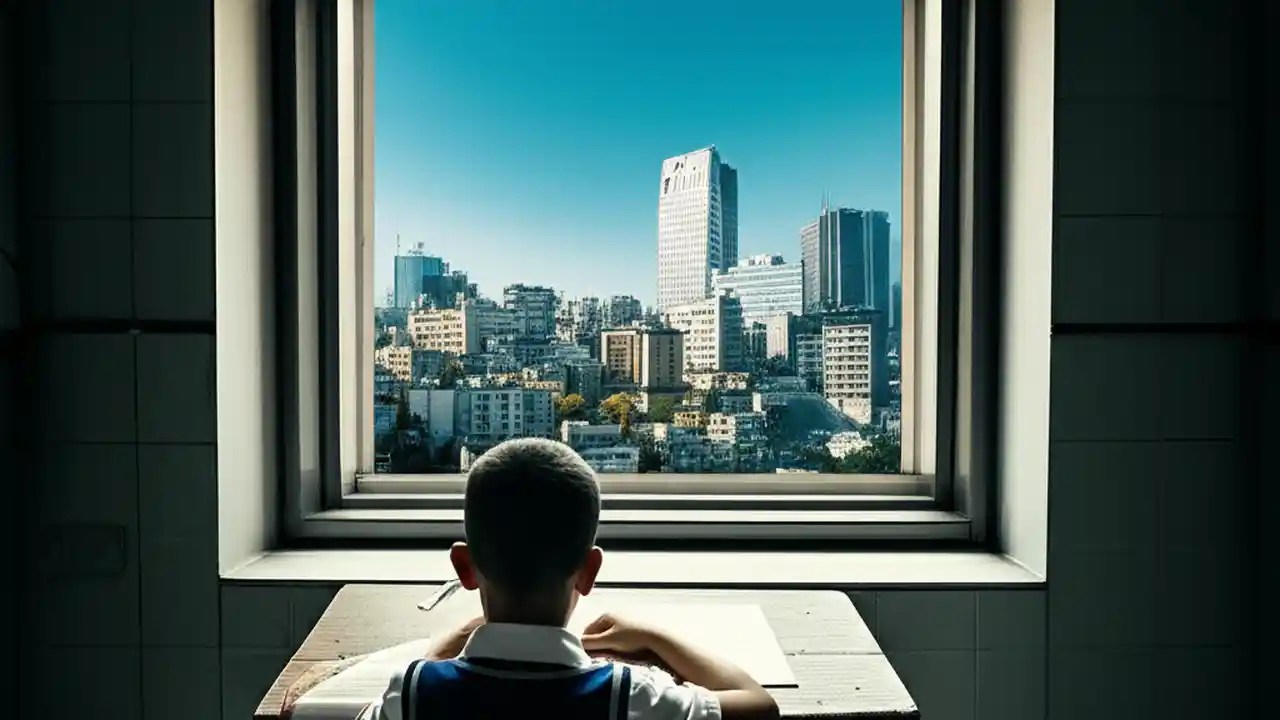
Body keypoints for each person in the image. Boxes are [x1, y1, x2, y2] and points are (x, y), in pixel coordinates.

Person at [360, 437, 779, 720]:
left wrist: (453, 644)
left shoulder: (412, 693)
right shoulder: (632, 697)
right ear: (589, 571)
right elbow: (760, 705)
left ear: (464, 567)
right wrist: (653, 637)